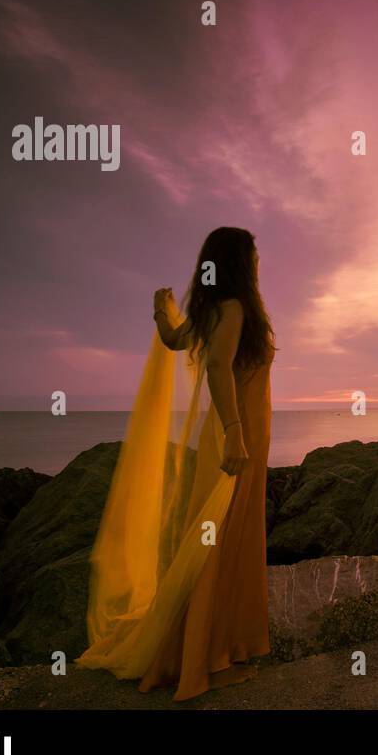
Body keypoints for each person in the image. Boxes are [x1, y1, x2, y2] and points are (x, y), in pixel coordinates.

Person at [76, 227, 275, 701]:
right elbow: (217, 368)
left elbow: (172, 340)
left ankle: (222, 646)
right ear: (240, 261)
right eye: (254, 253)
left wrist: (161, 311)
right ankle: (201, 660)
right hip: (236, 436)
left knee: (223, 538)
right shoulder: (233, 309)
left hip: (237, 436)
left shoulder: (212, 312)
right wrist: (233, 433)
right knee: (218, 542)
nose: (259, 259)